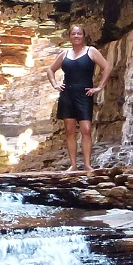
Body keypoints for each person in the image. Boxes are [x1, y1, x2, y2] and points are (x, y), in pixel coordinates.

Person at [47, 24, 111, 172]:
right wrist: (55, 84)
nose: (76, 36)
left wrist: (99, 87)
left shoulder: (91, 51)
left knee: (86, 129)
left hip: (84, 94)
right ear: (69, 36)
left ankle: (88, 165)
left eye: (79, 34)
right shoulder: (64, 54)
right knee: (69, 130)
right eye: (73, 34)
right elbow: (50, 70)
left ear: (83, 36)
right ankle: (73, 165)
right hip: (67, 94)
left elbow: (107, 67)